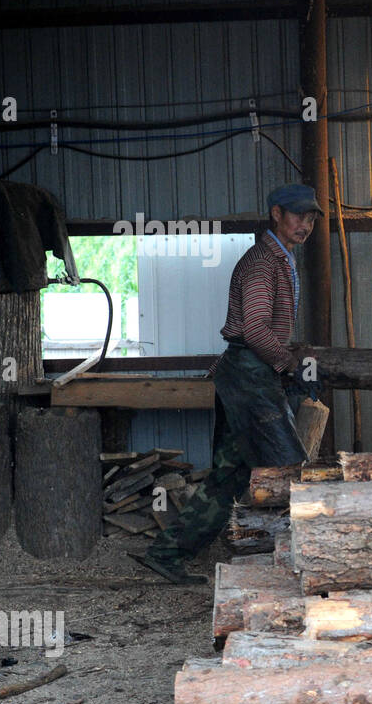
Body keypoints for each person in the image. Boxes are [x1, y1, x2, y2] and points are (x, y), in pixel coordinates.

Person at [132, 184, 324, 584]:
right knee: (289, 466)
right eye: (297, 215)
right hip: (249, 373)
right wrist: (286, 362)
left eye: (310, 218)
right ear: (276, 214)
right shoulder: (261, 262)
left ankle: (167, 553)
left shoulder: (282, 259)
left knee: (228, 475)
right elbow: (254, 328)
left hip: (246, 373)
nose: (305, 224)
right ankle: (311, 556)